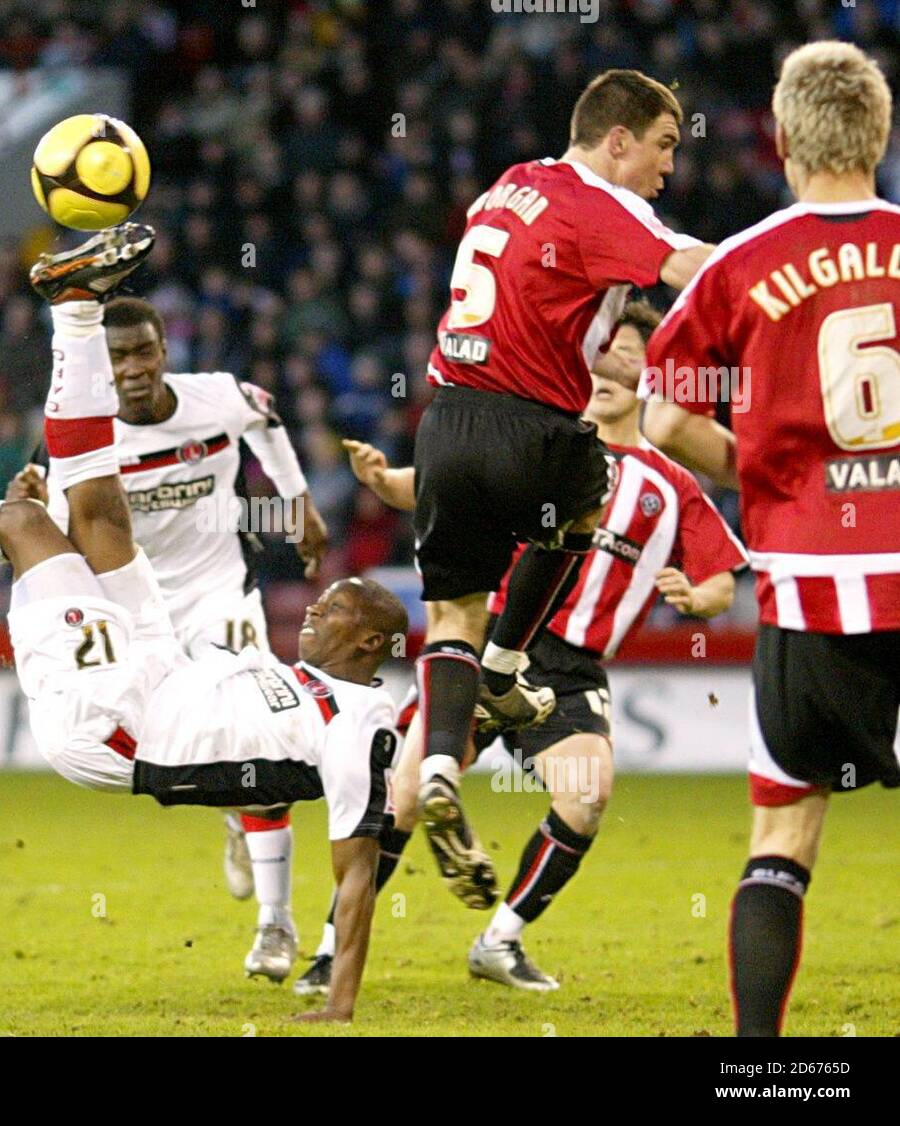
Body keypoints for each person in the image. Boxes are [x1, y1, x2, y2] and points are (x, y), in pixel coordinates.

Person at [0, 223, 406, 1023]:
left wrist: (340, 1003)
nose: (313, 606)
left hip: (118, 724)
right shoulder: (316, 680)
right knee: (102, 513)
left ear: (365, 644)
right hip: (164, 663)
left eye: (336, 607)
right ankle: (76, 305)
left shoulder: (360, 725)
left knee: (20, 526)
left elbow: (358, 873)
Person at [296, 303, 746, 997]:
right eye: (598, 350)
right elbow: (446, 480)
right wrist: (386, 482)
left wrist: (697, 594)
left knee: (586, 795)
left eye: (626, 354)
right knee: (404, 794)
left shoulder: (673, 486)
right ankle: (330, 949)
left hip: (569, 670)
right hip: (492, 641)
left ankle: (499, 940)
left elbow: (721, 580)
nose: (608, 366)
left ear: (649, 373)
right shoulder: (545, 443)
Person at [641, 41, 900, 1037]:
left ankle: (759, 1066)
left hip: (814, 597)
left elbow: (662, 421)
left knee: (780, 839)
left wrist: (768, 470)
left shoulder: (742, 264)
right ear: (877, 135)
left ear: (781, 138)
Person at [411, 68, 715, 912]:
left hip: (446, 419)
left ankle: (440, 762)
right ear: (618, 139)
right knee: (590, 496)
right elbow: (688, 264)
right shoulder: (602, 204)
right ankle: (510, 664)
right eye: (662, 146)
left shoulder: (510, 188)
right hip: (536, 428)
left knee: (449, 619)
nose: (668, 167)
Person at [9, 294, 328, 982]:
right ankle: (239, 820)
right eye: (115, 356)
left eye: (143, 351)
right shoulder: (77, 438)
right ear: (97, 363)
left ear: (164, 349)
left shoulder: (216, 399)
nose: (132, 368)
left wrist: (296, 499)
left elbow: (268, 421)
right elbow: (49, 516)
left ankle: (275, 925)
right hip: (140, 617)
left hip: (223, 601)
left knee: (263, 744)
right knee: (166, 751)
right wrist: (29, 501)